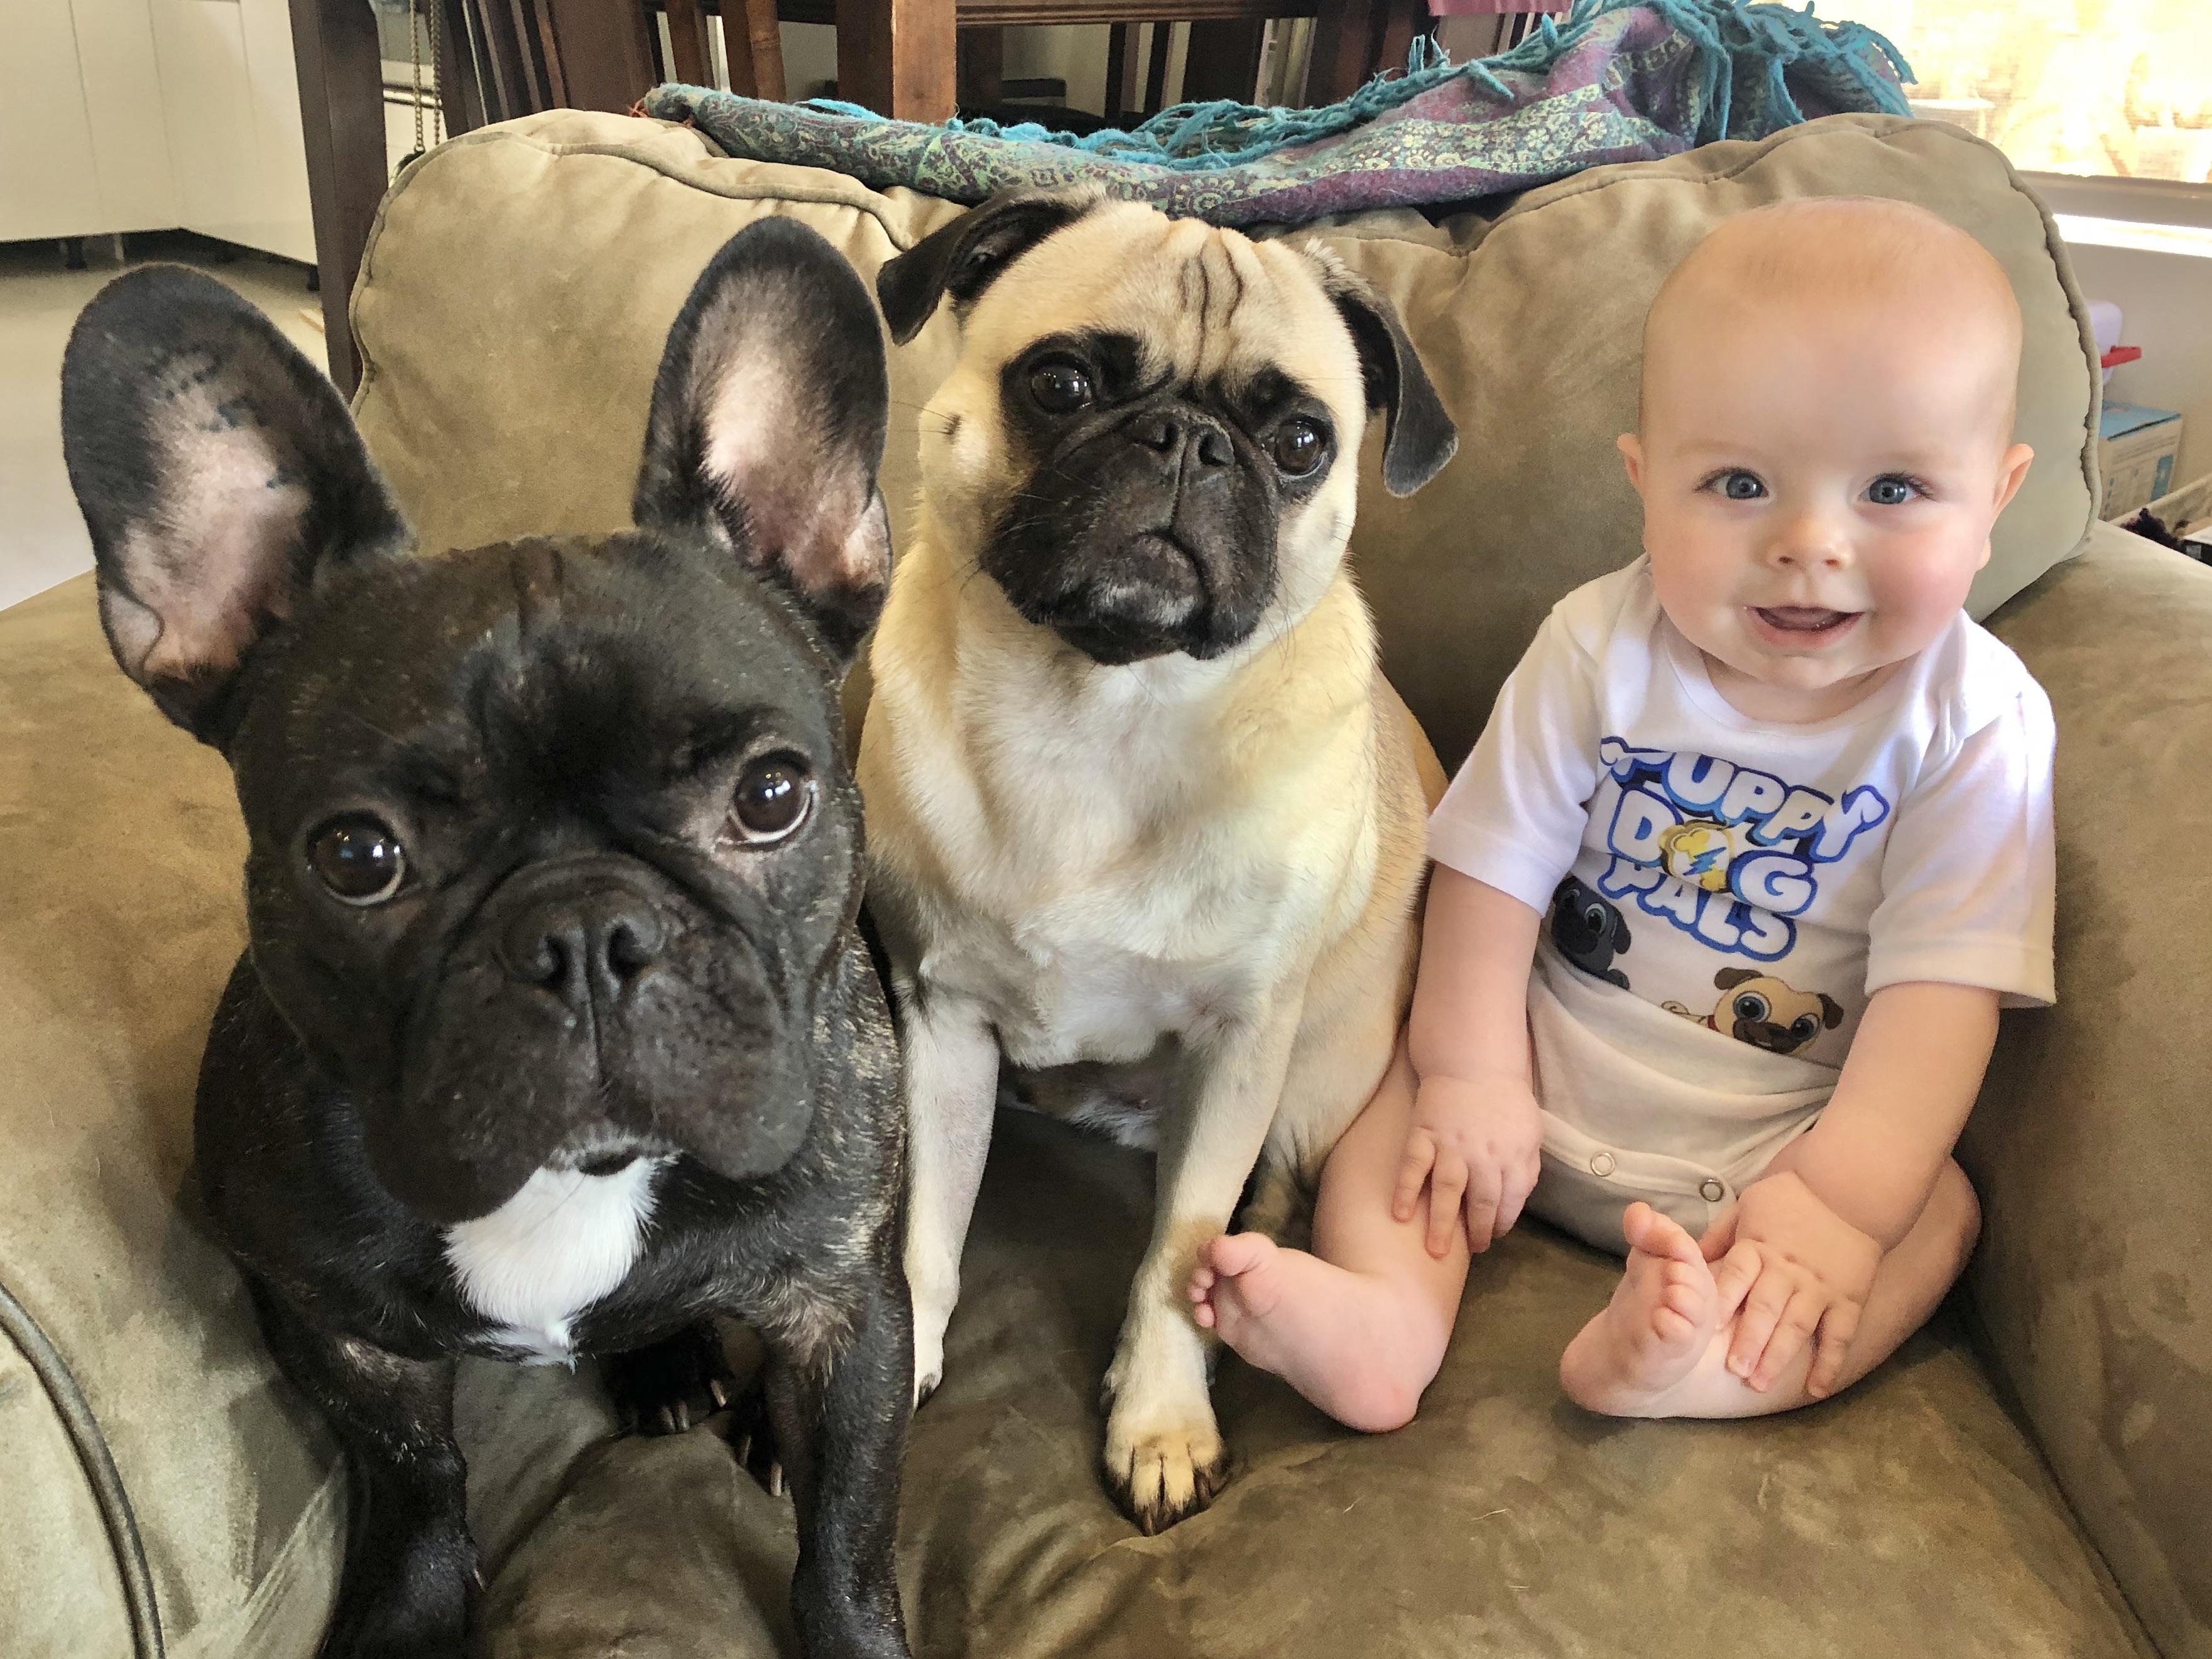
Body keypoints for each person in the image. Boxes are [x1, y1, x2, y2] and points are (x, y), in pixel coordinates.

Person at [1187, 197, 2053, 1425]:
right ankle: (1386, 1314)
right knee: (1383, 1095)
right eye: (1741, 483)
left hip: (1785, 1144)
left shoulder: (1977, 724)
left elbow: (1940, 1003)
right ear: (1645, 482)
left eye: (1897, 489)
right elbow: (1490, 876)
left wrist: (1841, 1206)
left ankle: (1682, 1367)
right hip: (1528, 1075)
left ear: (1997, 497)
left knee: (1933, 1216)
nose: (1811, 543)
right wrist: (1470, 1073)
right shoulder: (1599, 643)